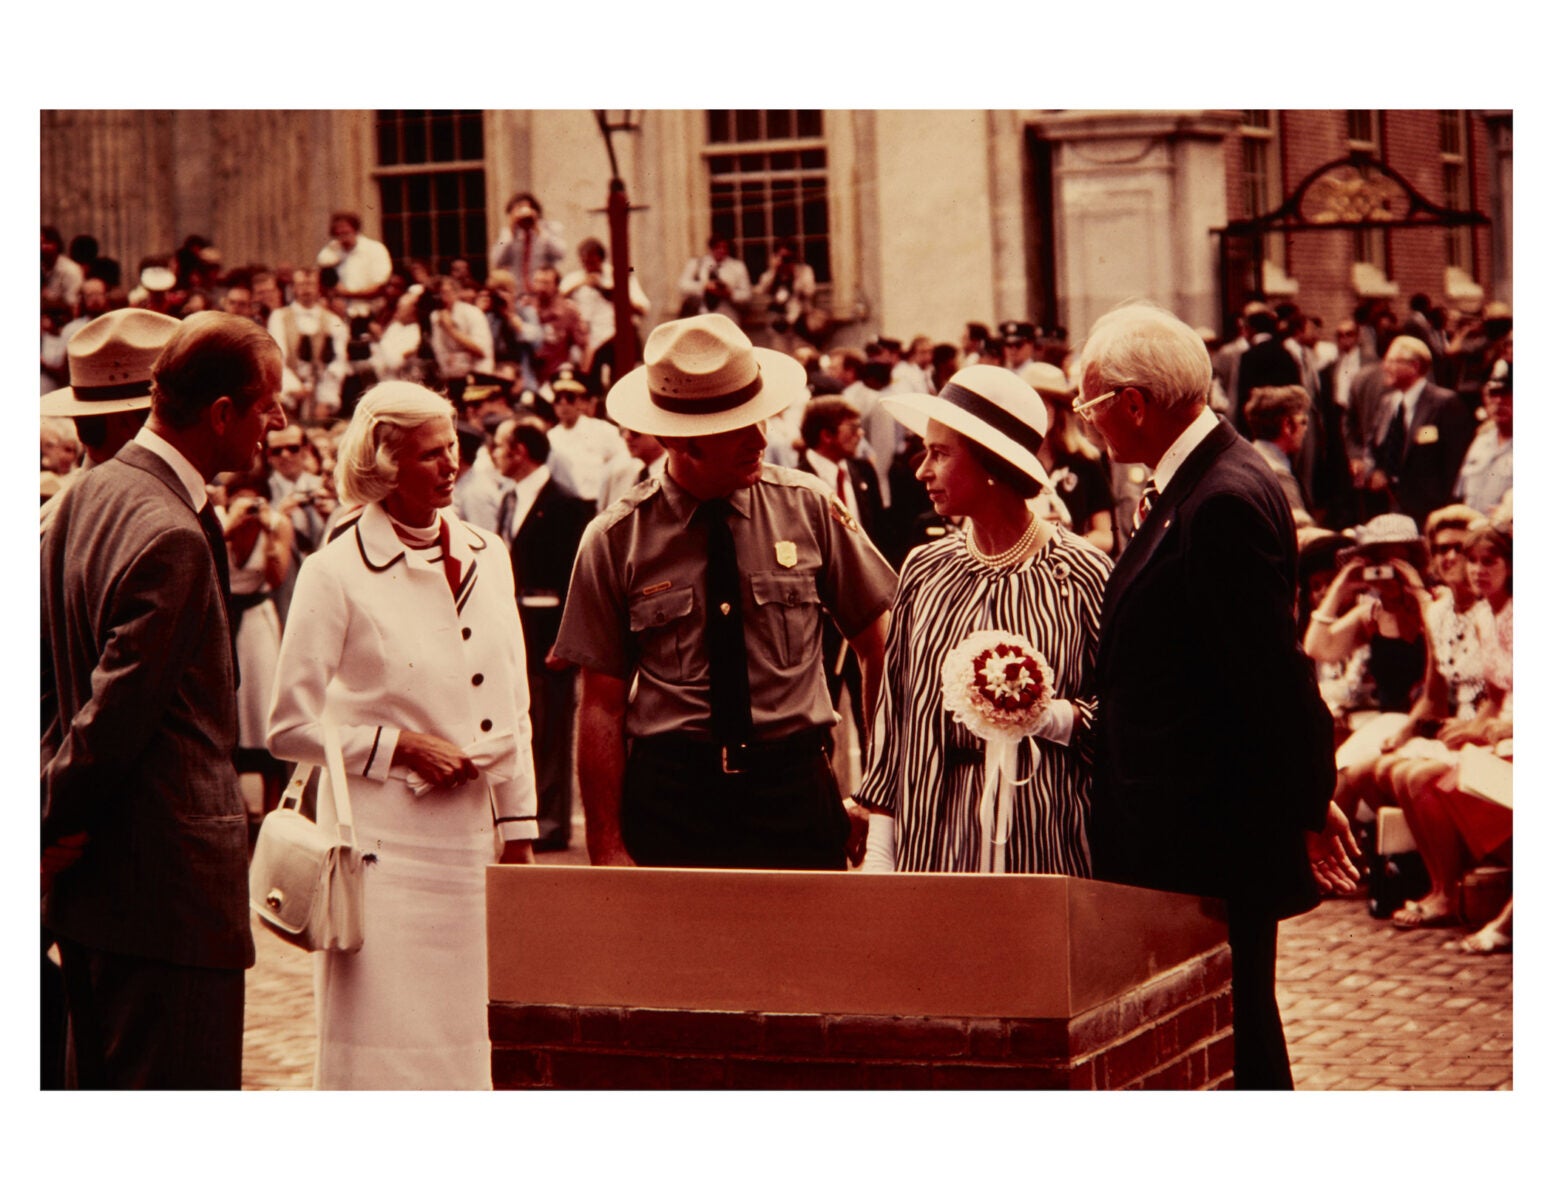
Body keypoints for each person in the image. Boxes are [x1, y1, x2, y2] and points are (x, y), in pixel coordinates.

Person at [1075, 301, 1351, 1090]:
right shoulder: (1197, 480)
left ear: (1134, 403)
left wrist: (1308, 799)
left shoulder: (1219, 498)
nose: (1087, 423)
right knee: (1222, 1019)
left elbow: (1269, 672)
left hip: (1203, 826)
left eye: (1090, 404)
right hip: (1188, 818)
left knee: (1235, 1027)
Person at [267, 381, 538, 1089]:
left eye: (453, 447)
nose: (450, 464)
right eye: (428, 454)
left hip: (471, 847)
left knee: (468, 1039)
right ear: (384, 463)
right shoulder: (334, 571)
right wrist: (397, 747)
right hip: (380, 854)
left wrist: (519, 830)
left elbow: (513, 705)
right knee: (382, 1044)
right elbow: (287, 726)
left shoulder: (489, 553)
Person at [42, 311, 288, 1088]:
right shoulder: (170, 532)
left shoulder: (87, 496)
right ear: (221, 414)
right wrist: (42, 819)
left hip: (96, 897)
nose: (277, 422)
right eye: (267, 404)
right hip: (167, 902)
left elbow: (59, 693)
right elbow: (111, 720)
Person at [554, 313, 897, 869]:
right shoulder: (615, 539)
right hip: (673, 801)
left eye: (759, 417)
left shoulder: (809, 508)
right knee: (679, 958)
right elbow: (600, 705)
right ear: (681, 442)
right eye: (738, 426)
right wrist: (608, 846)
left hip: (794, 792)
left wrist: (879, 790)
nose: (761, 437)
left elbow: (878, 646)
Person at [854, 365, 1111, 874]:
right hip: (931, 838)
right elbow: (896, 711)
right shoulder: (925, 567)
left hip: (1042, 839)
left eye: (940, 453)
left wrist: (1050, 717)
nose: (921, 470)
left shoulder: (1082, 572)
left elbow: (1127, 713)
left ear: (991, 462)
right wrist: (881, 850)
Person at [1386, 520, 1512, 935]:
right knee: (1410, 774)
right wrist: (1474, 729)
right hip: (1497, 731)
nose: (1477, 569)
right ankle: (1442, 888)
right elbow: (1493, 699)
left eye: (1489, 561)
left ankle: (1458, 891)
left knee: (1428, 779)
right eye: (1472, 561)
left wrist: (1488, 731)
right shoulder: (1487, 620)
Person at [492, 417, 596, 851]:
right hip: (518, 627)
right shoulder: (510, 500)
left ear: (520, 452)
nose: (494, 455)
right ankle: (530, 814)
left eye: (500, 446)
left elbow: (579, 576)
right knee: (528, 722)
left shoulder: (567, 504)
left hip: (549, 628)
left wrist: (568, 638)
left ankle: (553, 821)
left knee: (554, 725)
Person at [1023, 361, 1116, 556]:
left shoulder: (1085, 461)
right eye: (1030, 404)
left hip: (1073, 568)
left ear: (1057, 411)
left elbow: (1105, 537)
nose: (1038, 413)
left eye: (1045, 404)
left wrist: (1060, 540)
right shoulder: (1010, 463)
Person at [677, 234, 752, 322]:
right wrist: (705, 286)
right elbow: (682, 285)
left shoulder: (737, 266)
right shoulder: (697, 263)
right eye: (717, 247)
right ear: (711, 248)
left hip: (727, 317)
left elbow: (747, 294)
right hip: (701, 316)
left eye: (724, 248)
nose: (721, 250)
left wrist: (729, 294)